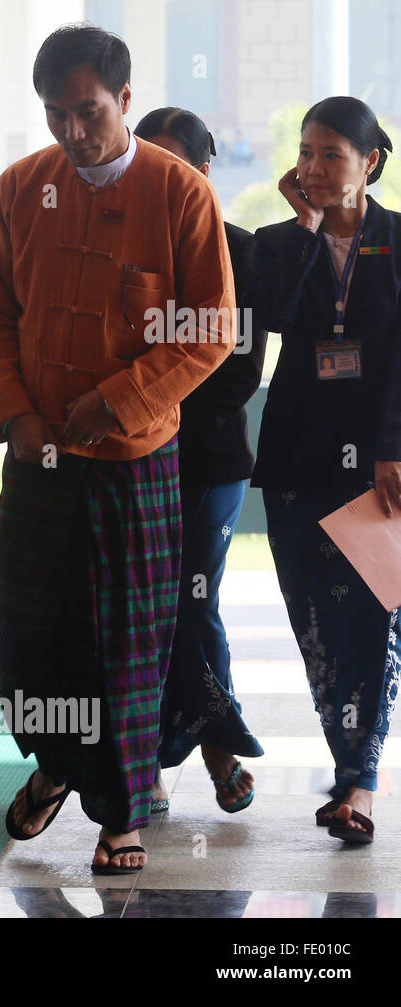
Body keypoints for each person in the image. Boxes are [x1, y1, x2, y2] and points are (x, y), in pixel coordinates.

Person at [0, 24, 234, 875]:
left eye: (87, 112)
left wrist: (116, 399)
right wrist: (17, 416)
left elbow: (211, 329)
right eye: (56, 115)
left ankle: (121, 813)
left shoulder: (180, 193)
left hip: (132, 462)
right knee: (26, 619)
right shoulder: (19, 188)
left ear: (124, 101)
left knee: (126, 640)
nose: (73, 133)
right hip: (37, 459)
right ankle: (54, 764)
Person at [248, 96, 401, 845]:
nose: (312, 169)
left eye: (330, 155)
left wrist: (393, 444)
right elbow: (270, 315)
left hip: (379, 463)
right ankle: (346, 760)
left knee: (371, 617)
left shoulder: (399, 242)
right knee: (313, 620)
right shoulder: (281, 242)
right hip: (297, 456)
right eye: (305, 152)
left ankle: (358, 783)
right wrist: (307, 230)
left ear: (370, 163)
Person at [134, 107, 269, 816]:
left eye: (172, 163)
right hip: (130, 458)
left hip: (208, 460)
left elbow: (239, 371)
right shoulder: (129, 244)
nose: (158, 178)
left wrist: (151, 398)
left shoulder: (240, 250)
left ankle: (187, 751)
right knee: (146, 611)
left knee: (192, 600)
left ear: (203, 170)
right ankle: (194, 748)